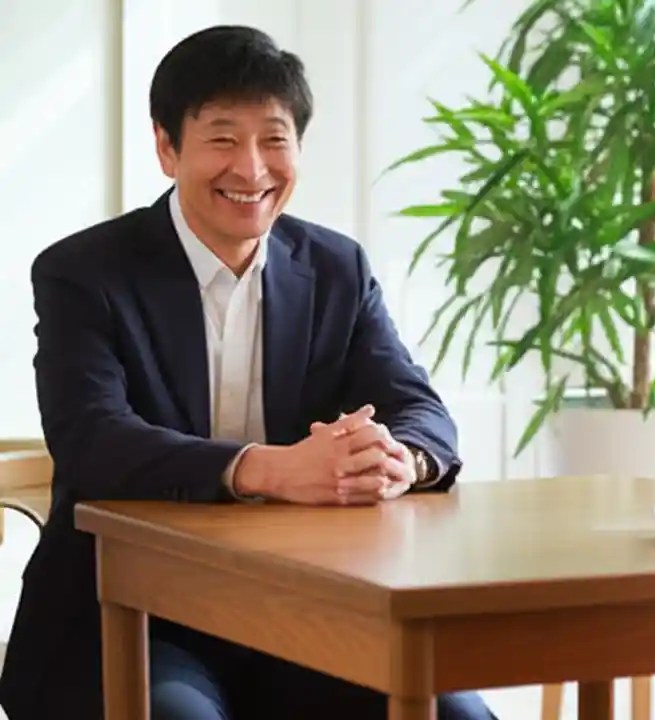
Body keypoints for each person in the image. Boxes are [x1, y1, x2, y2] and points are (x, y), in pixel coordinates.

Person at [0, 25, 498, 720]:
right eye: (223, 139)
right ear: (167, 148)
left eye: (274, 138)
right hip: (124, 614)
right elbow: (94, 440)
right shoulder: (84, 273)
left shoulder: (336, 269)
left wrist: (398, 461)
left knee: (457, 714)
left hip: (299, 609)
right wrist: (269, 469)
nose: (253, 169)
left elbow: (421, 411)